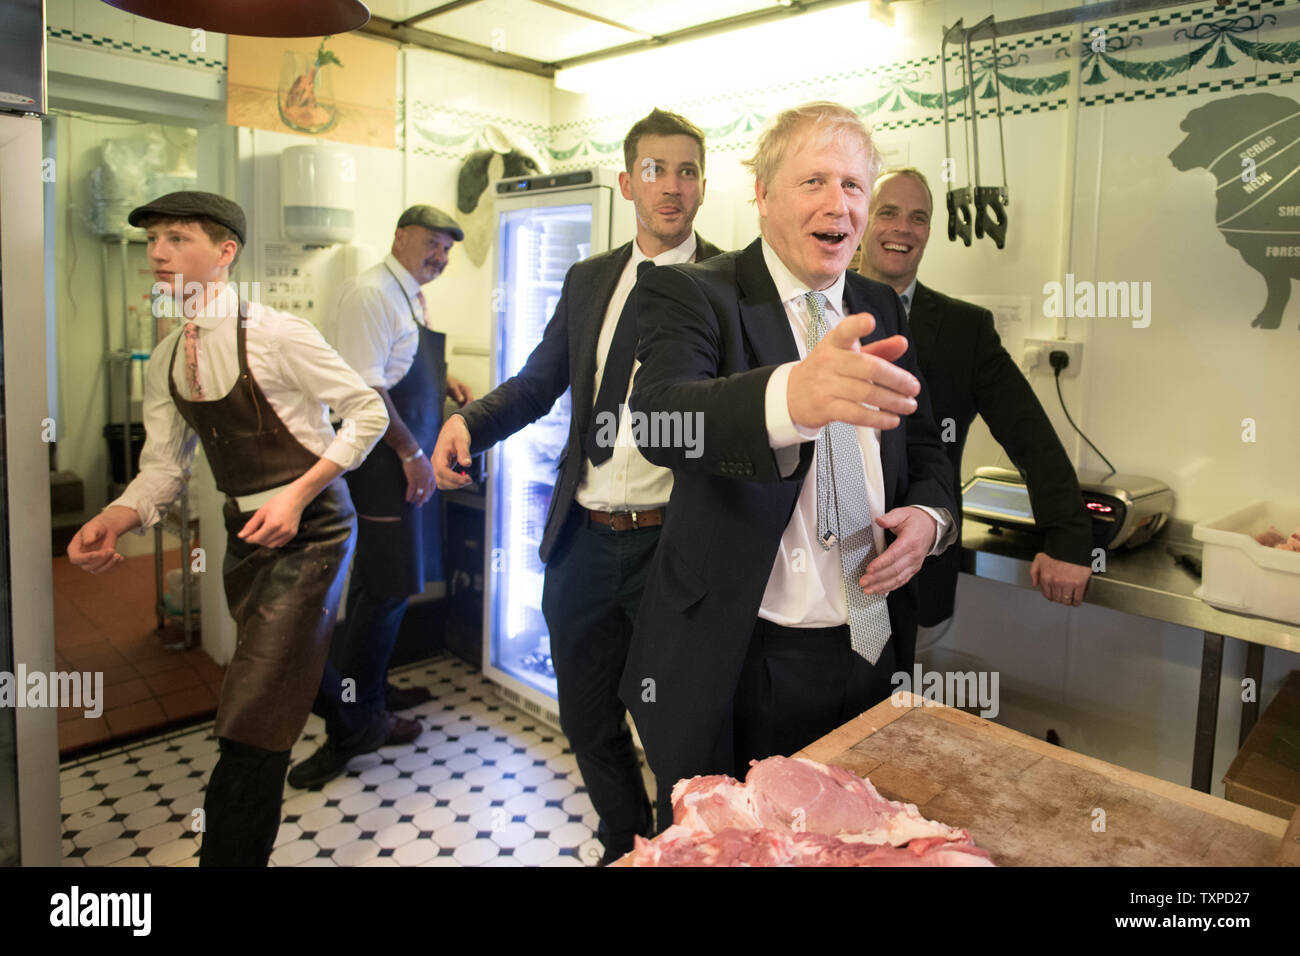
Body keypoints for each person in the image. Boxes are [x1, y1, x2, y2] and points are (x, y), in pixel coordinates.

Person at [617, 102, 957, 831]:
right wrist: (790, 398)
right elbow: (658, 418)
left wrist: (930, 519)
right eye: (813, 182)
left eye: (854, 186)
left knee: (851, 840)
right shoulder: (694, 291)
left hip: (871, 642)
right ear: (763, 196)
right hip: (742, 658)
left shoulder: (879, 307)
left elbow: (927, 443)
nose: (838, 203)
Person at [432, 108, 724, 863]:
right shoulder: (592, 279)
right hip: (585, 542)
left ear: (703, 184)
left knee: (676, 730)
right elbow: (537, 384)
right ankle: (623, 842)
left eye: (687, 170)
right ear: (628, 182)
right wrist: (470, 424)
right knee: (587, 717)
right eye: (655, 170)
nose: (672, 186)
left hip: (678, 548)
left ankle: (679, 851)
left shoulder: (731, 283)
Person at [66, 192, 388, 866]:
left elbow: (365, 412)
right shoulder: (163, 360)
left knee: (252, 723)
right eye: (154, 239)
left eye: (178, 238)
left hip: (313, 530)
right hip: (243, 533)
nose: (158, 252)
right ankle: (356, 719)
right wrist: (114, 516)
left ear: (224, 252)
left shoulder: (277, 333)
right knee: (270, 671)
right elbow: (163, 468)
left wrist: (299, 494)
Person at [289, 206, 474, 789]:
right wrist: (412, 457)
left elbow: (394, 364)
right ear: (399, 236)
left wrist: (440, 380)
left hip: (402, 455)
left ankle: (370, 689)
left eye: (446, 250)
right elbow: (364, 392)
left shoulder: (406, 295)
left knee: (383, 586)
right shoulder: (369, 293)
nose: (439, 258)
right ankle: (354, 723)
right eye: (431, 244)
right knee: (386, 588)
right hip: (380, 461)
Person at [859, 167, 1092, 618]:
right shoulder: (810, 308)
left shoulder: (964, 330)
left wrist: (1067, 535)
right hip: (814, 560)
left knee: (903, 688)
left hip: (917, 564)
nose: (903, 228)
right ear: (862, 219)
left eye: (918, 217)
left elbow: (1027, 431)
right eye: (887, 212)